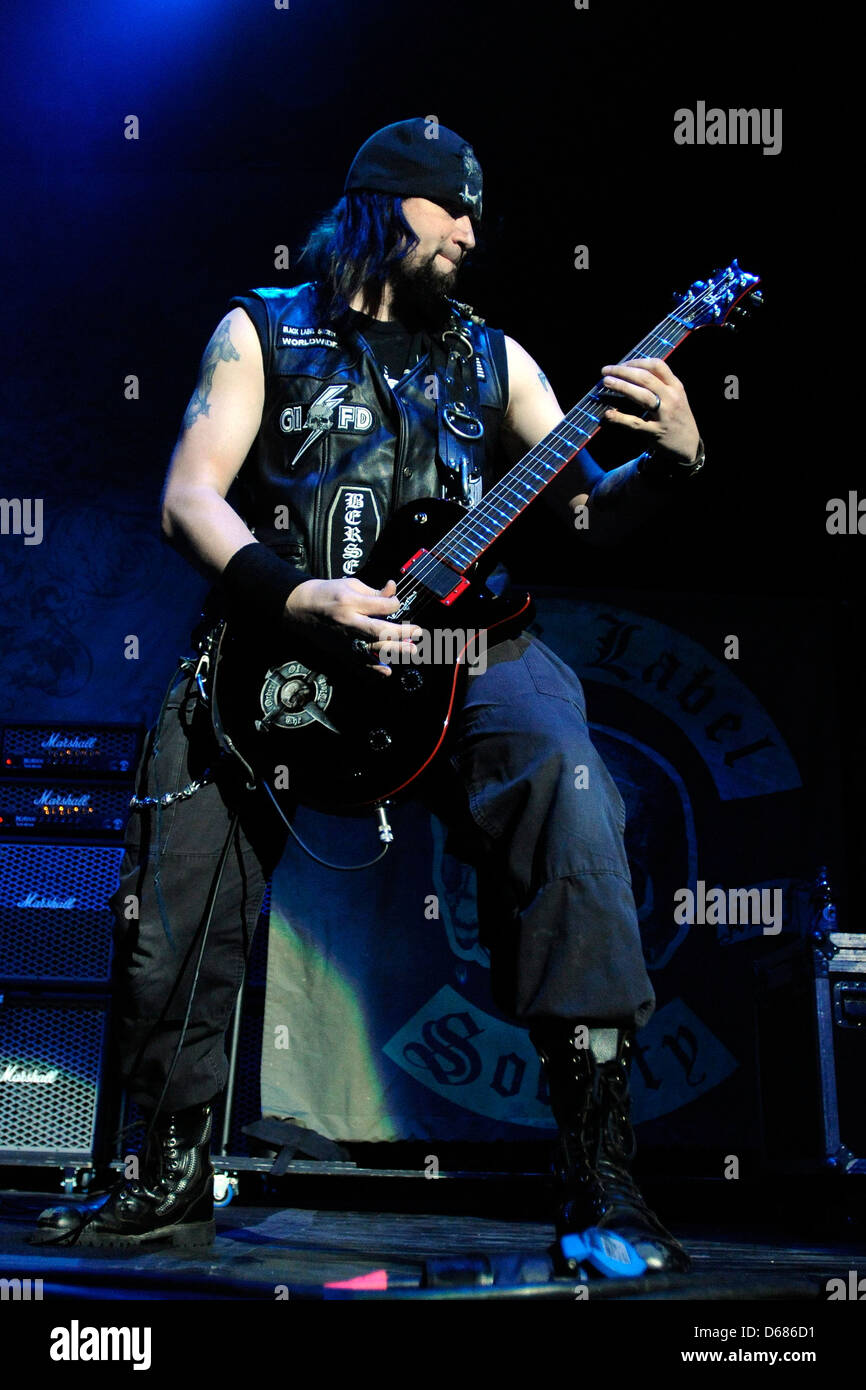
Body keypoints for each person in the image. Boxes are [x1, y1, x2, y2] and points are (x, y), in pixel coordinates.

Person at [34, 118, 704, 1274]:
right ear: (390, 204)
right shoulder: (261, 328)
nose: (472, 232)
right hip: (274, 647)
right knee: (178, 885)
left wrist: (675, 455)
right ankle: (167, 1171)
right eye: (454, 207)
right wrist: (295, 601)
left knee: (570, 796)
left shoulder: (497, 359)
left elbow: (587, 510)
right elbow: (191, 498)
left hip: (464, 654)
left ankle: (602, 1178)